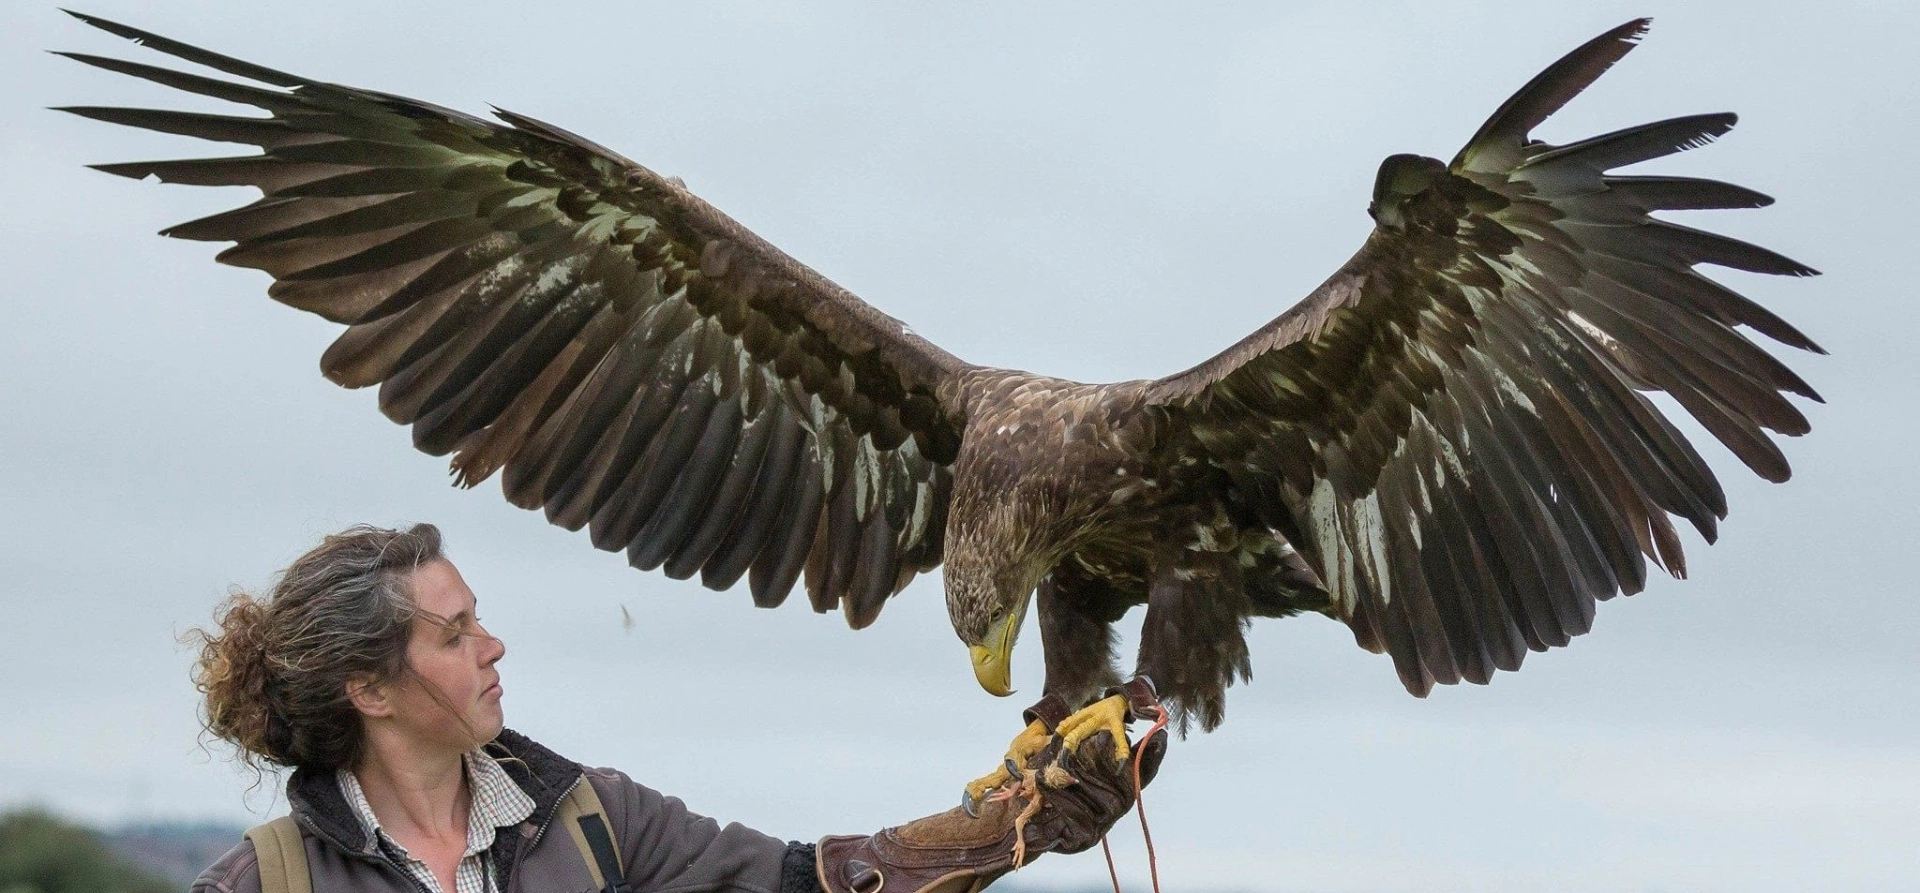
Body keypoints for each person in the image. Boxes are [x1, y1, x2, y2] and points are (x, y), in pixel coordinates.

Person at [187, 523, 1164, 893]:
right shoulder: (268, 882)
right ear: (369, 689)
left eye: (480, 619)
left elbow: (813, 884)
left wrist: (1005, 827)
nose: (492, 646)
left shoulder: (597, 821)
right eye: (453, 634)